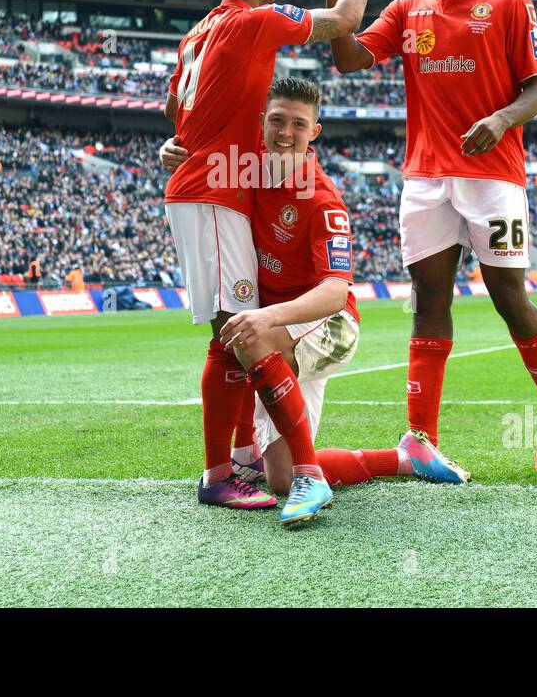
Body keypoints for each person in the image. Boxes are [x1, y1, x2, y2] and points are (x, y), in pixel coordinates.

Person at [317, 0, 537, 472]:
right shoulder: (408, 9)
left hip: (493, 177)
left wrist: (503, 119)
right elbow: (346, 58)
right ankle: (420, 440)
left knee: (510, 299)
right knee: (428, 304)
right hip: (426, 179)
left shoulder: (508, 3)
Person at [161, 0, 393, 521]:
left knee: (233, 333)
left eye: (298, 127)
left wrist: (185, 142)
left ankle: (241, 459)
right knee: (230, 334)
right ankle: (225, 474)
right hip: (214, 192)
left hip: (208, 185)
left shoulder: (198, 31)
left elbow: (173, 107)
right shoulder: (254, 21)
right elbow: (344, 23)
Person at [163, 78, 466, 521]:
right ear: (261, 123)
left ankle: (311, 474)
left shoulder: (322, 199)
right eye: (277, 121)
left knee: (246, 334)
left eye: (298, 125)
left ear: (314, 133)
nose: (285, 133)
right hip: (282, 330)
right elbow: (194, 135)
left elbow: (334, 292)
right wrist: (172, 152)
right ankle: (405, 457)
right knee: (277, 478)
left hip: (331, 325)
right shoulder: (247, 165)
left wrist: (266, 318)